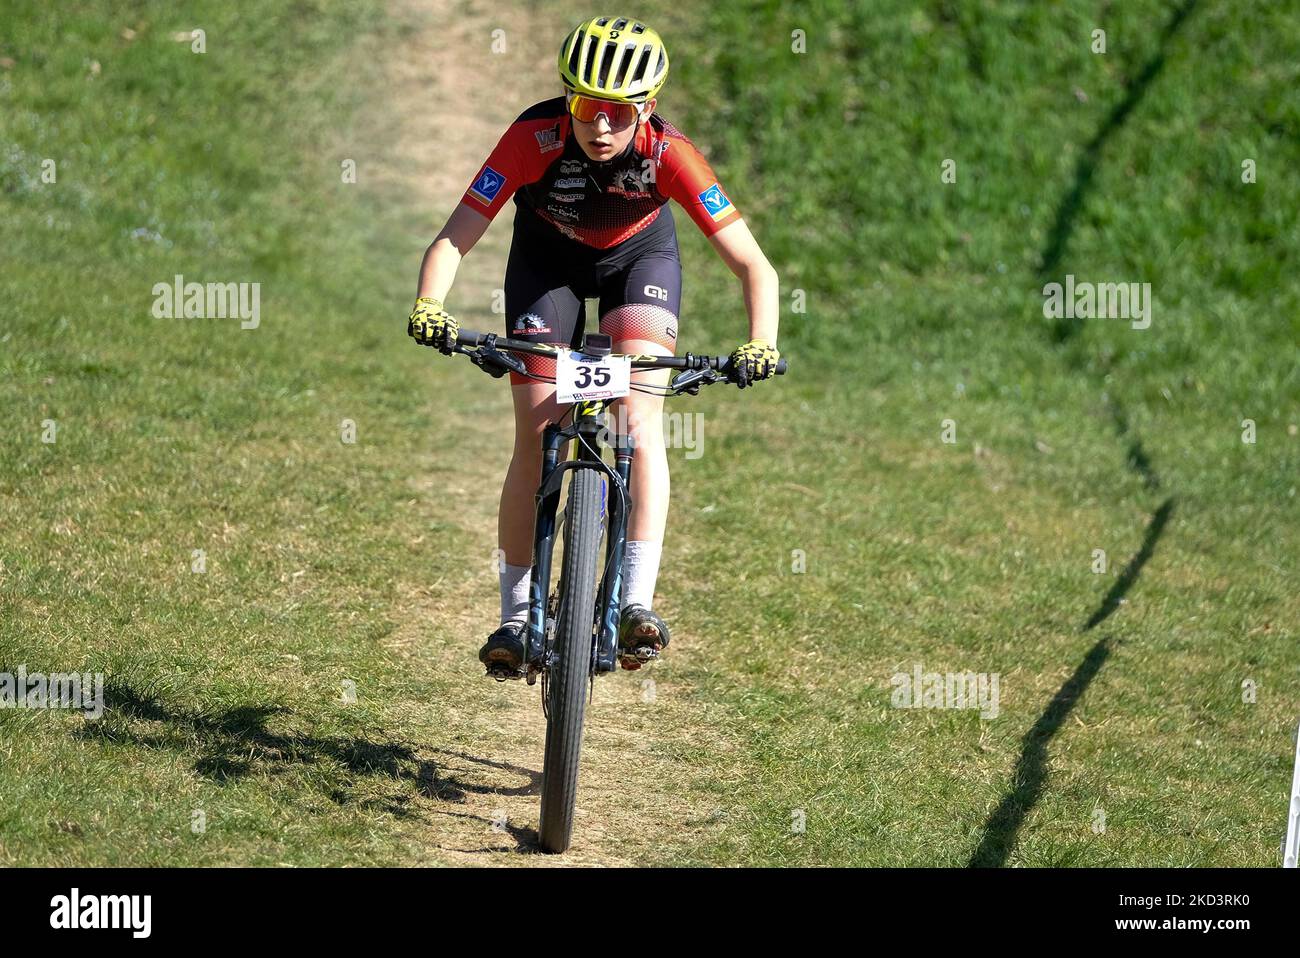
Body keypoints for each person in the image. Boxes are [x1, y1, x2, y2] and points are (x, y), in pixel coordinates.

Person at [408, 16, 780, 676]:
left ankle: (635, 603)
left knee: (637, 419)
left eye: (617, 112)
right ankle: (517, 618)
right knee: (538, 427)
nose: (599, 126)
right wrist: (429, 304)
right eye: (585, 106)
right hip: (544, 269)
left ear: (647, 109)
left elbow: (756, 267)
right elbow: (455, 235)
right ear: (567, 99)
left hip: (639, 268)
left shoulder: (671, 155)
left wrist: (761, 341)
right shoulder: (532, 138)